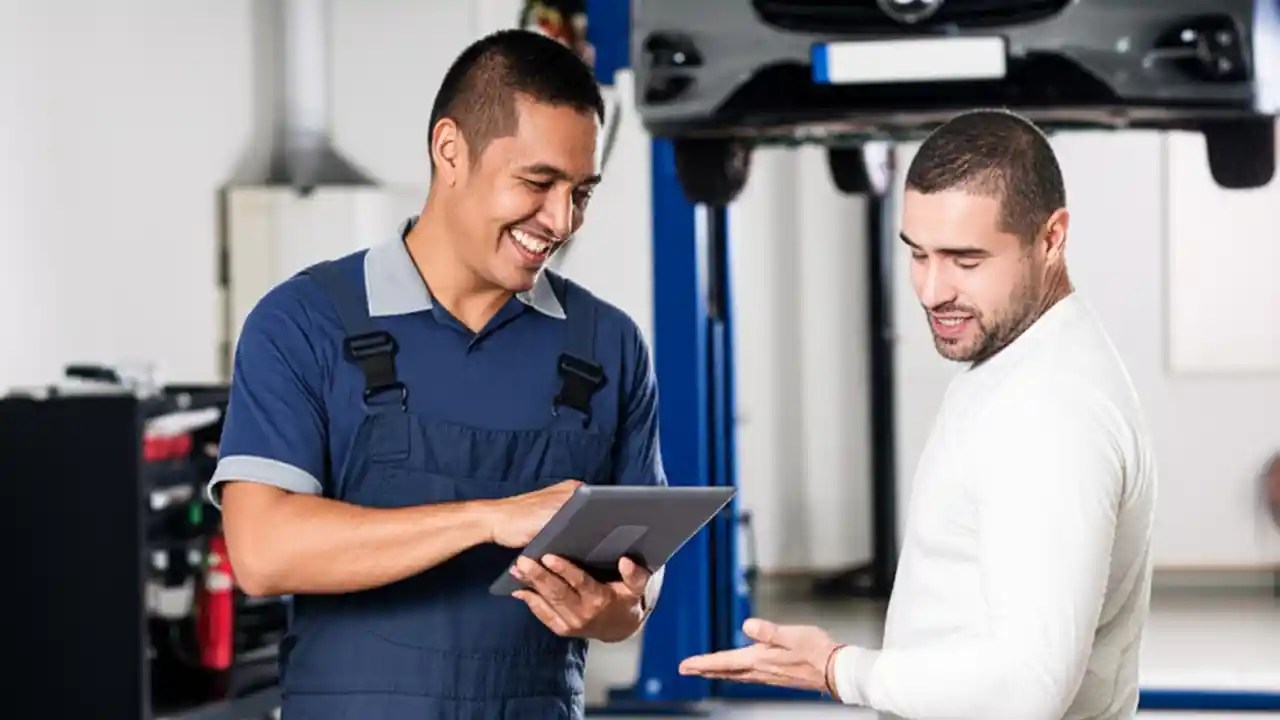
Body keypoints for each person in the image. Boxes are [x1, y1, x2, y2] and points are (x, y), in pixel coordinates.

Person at [209, 29, 666, 719]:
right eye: (538, 183)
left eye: (581, 193)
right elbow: (263, 552)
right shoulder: (305, 322)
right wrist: (488, 519)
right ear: (450, 151)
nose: (561, 220)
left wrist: (609, 612)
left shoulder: (609, 347)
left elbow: (638, 588)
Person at [678, 110, 1158, 719]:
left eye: (965, 259)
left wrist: (837, 668)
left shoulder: (1050, 412)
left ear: (1051, 238)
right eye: (918, 254)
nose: (932, 291)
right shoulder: (1017, 359)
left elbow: (1027, 687)